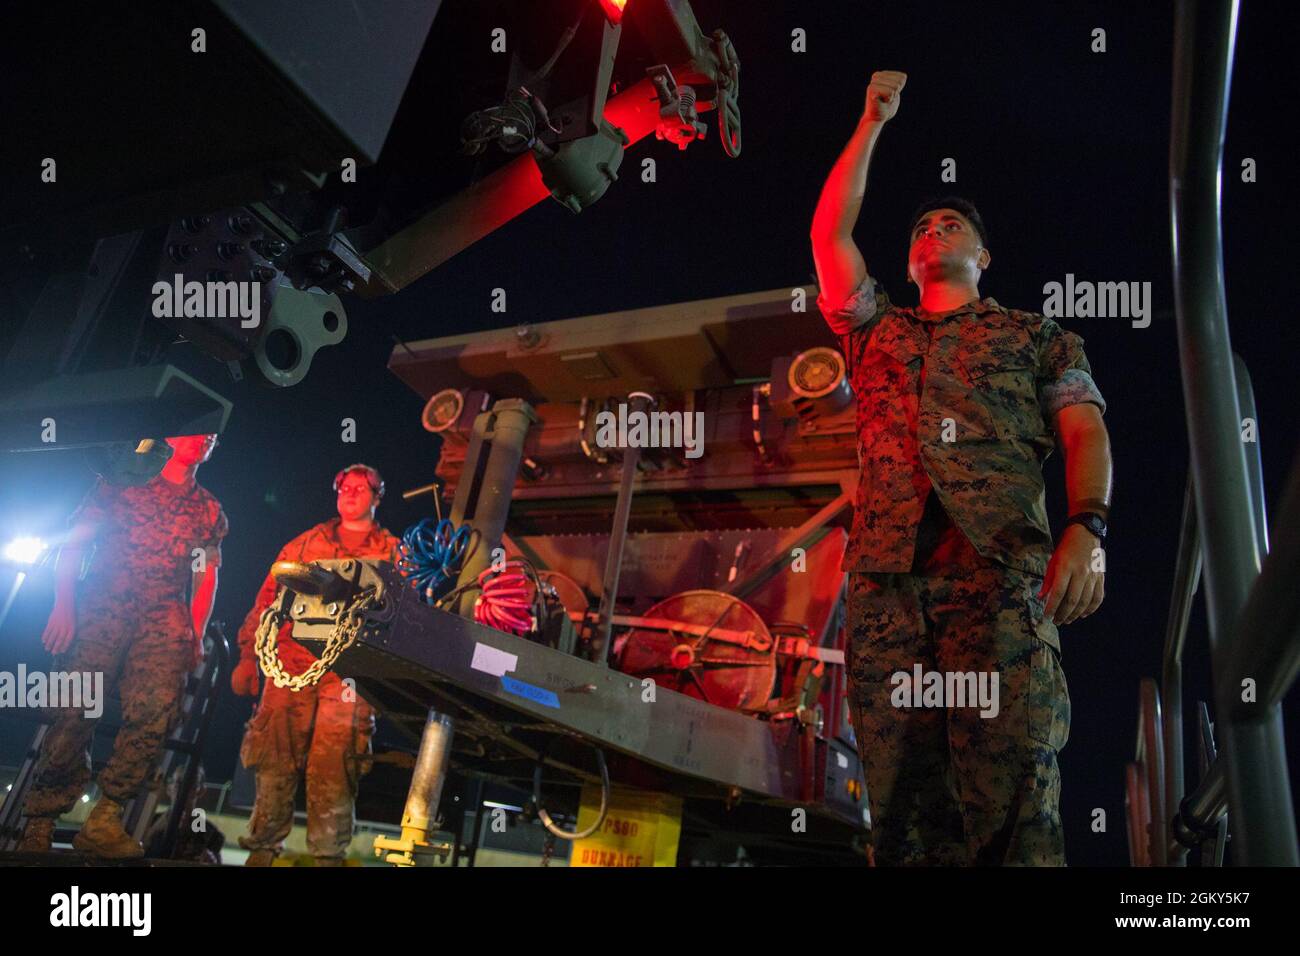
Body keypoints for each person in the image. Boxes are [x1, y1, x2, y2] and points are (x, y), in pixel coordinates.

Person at [810, 71, 1113, 865]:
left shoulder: (1038, 336)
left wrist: (1088, 526)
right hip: (887, 595)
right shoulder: (875, 331)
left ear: (983, 254)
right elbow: (830, 237)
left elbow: (1084, 431)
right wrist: (871, 122)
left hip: (1000, 580)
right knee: (906, 814)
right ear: (910, 264)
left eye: (953, 225)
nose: (935, 230)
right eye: (923, 228)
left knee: (1014, 801)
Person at [17, 434, 226, 857]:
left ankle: (105, 818)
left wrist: (195, 631)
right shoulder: (123, 481)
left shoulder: (208, 510)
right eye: (196, 430)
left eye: (212, 435)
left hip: (163, 617)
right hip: (104, 602)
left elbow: (205, 575)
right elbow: (75, 543)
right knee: (74, 709)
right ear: (168, 438)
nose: (204, 438)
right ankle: (40, 819)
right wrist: (63, 605)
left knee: (157, 713)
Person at [231, 464, 399, 866]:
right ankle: (264, 849)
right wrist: (247, 657)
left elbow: (404, 617)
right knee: (276, 754)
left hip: (351, 672)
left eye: (362, 488)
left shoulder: (393, 552)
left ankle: (327, 856)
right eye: (345, 487)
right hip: (291, 663)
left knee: (335, 763)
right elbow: (268, 600)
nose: (352, 493)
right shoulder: (305, 544)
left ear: (377, 497)